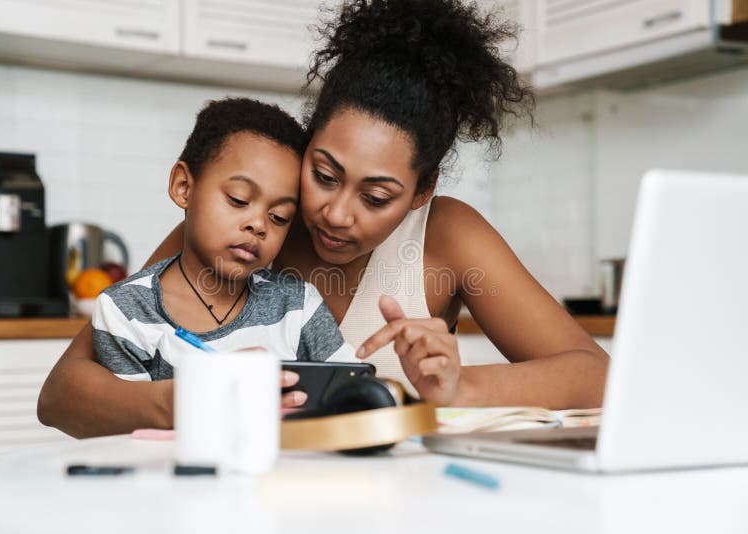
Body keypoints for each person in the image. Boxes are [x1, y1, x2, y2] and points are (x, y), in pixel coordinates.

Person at [38, 0, 609, 438]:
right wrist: (177, 401)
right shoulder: (233, 235)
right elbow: (63, 394)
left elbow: (598, 377)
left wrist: (457, 386)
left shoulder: (450, 237)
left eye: (377, 196)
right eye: (325, 174)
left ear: (421, 189)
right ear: (308, 142)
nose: (336, 214)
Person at [91, 98, 355, 384]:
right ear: (183, 187)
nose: (258, 225)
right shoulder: (126, 310)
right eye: (238, 199)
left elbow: (353, 393)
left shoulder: (298, 305)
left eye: (279, 216)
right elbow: (129, 421)